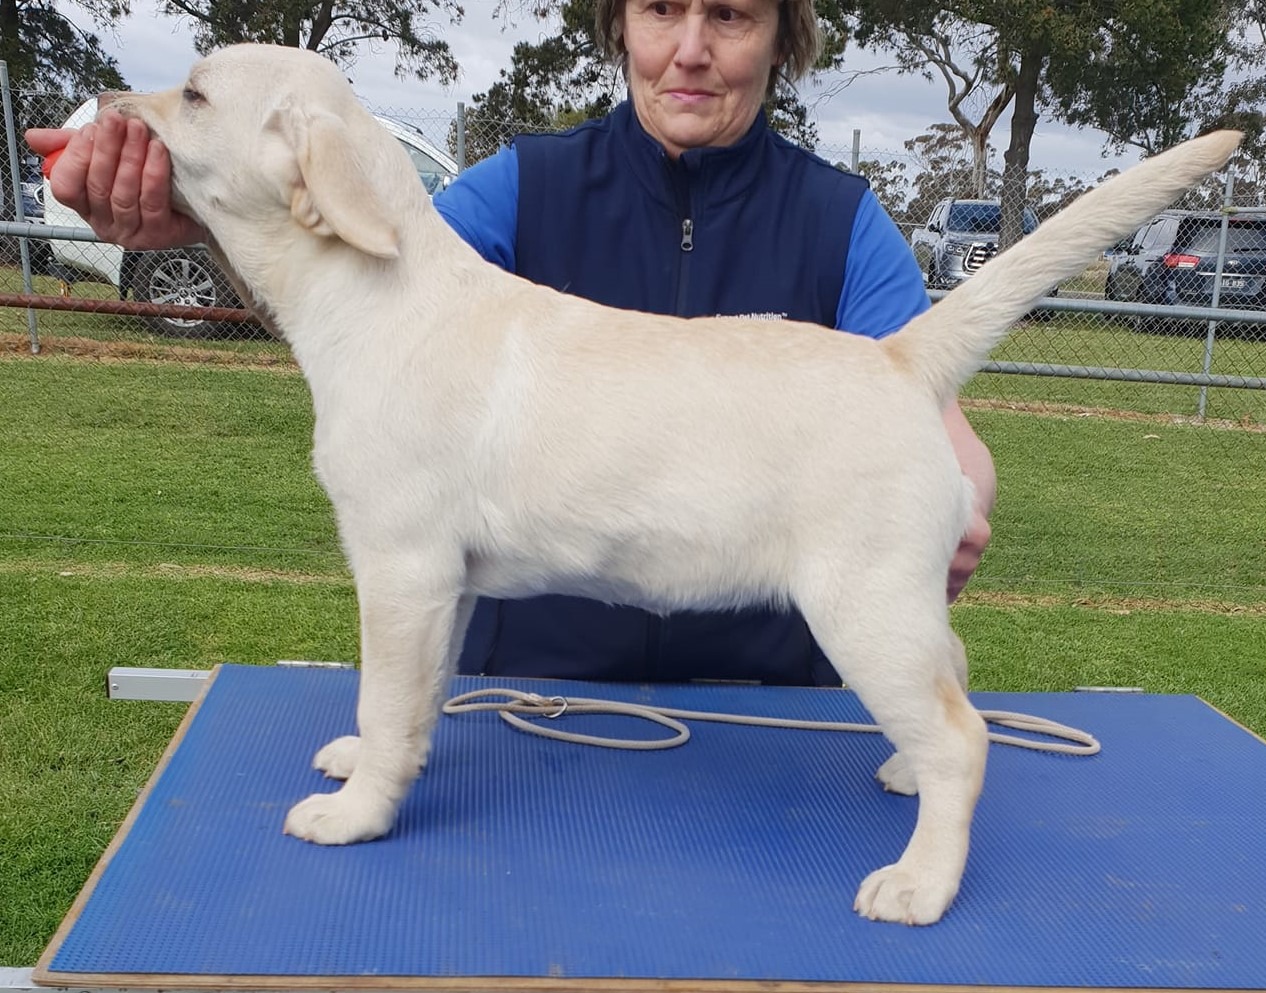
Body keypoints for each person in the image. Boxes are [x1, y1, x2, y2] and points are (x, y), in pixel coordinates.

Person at [26, 0, 995, 687]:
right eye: (661, 10)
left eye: (732, 17)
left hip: (766, 702)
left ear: (785, 38)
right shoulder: (521, 185)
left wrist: (960, 497)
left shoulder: (843, 221)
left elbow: (926, 415)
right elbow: (355, 273)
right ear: (622, 27)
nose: (691, 48)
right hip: (532, 698)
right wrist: (203, 209)